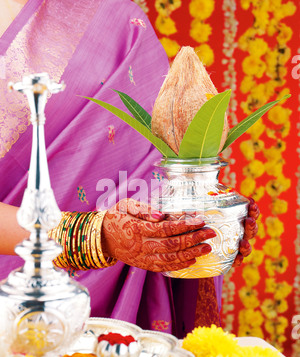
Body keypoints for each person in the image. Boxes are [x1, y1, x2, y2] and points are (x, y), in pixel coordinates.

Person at [0, 0, 259, 338]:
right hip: (15, 297)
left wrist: (200, 221)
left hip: (127, 322)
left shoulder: (113, 15)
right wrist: (95, 236)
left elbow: (156, 163)